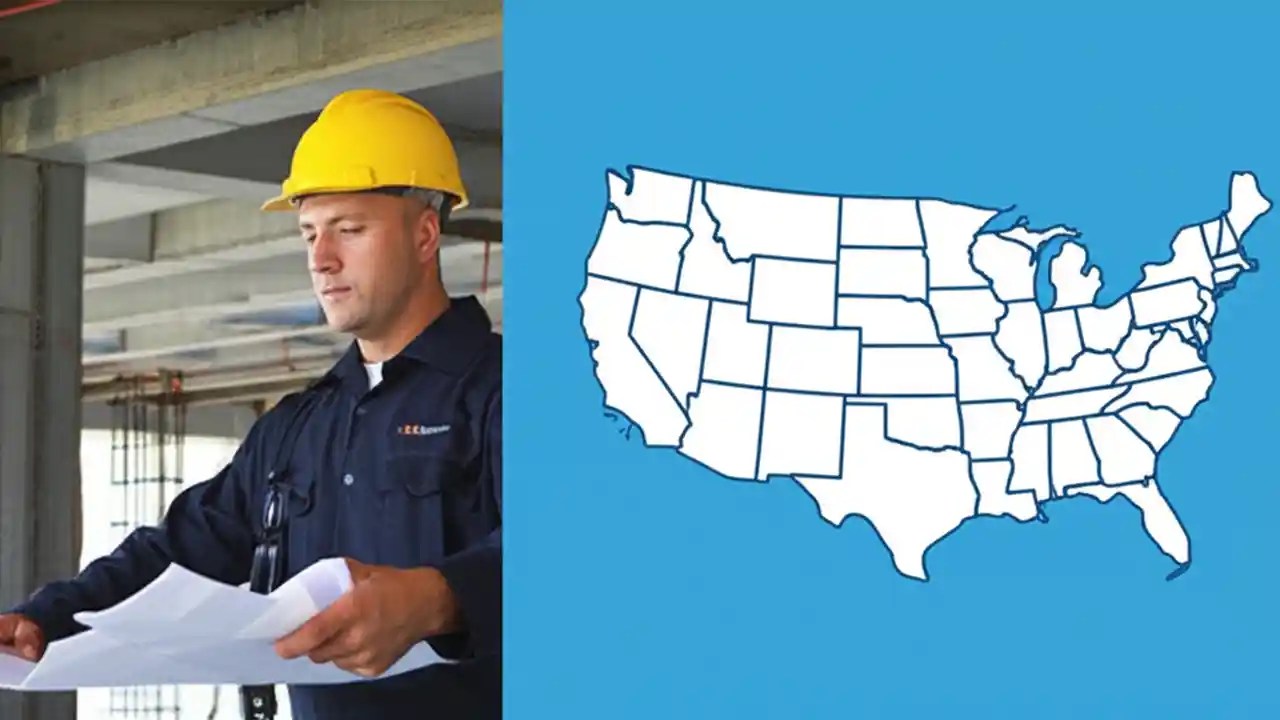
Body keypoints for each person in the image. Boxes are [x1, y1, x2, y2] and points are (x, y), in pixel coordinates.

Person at [0, 89, 502, 719]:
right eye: (309, 233)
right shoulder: (299, 426)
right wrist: (45, 618)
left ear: (425, 234)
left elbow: (571, 550)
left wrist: (437, 598)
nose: (321, 260)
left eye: (350, 230)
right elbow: (182, 545)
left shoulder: (512, 394)